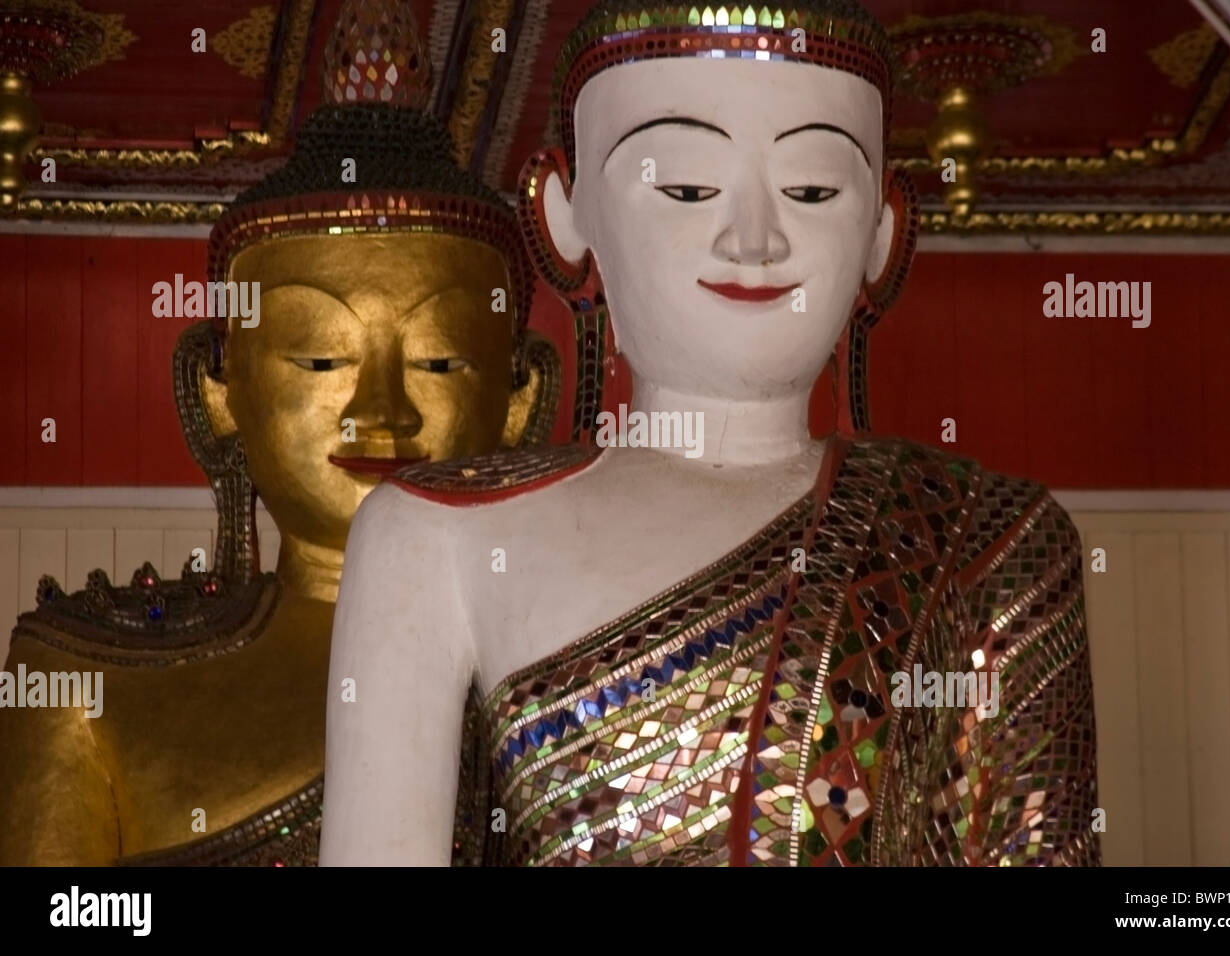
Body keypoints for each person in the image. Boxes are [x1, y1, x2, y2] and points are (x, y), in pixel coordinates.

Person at [321, 0, 1100, 866]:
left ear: (883, 229)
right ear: (562, 214)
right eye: (686, 187)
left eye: (812, 189)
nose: (755, 239)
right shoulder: (434, 537)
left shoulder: (987, 542)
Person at [0, 0, 556, 865]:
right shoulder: (91, 676)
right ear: (217, 389)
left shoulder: (587, 674)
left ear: (521, 399)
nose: (383, 411)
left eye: (439, 362)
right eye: (319, 360)